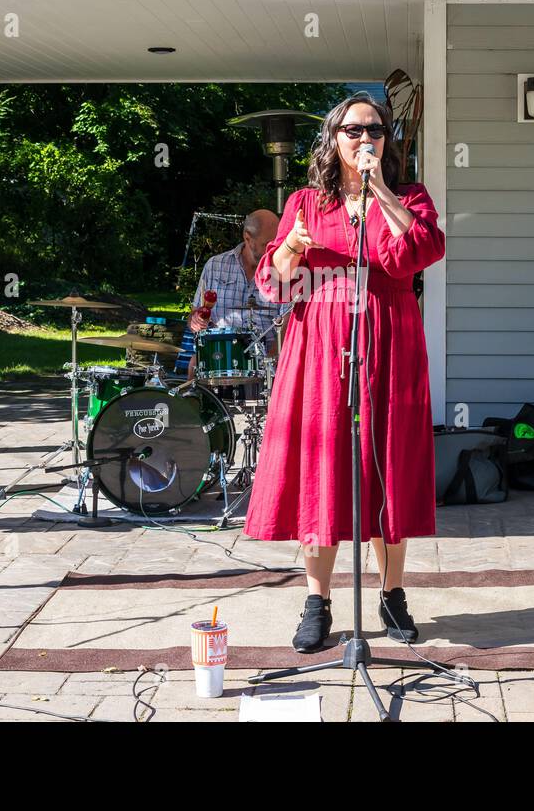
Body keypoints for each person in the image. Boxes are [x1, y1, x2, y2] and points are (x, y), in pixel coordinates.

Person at [245, 94, 445, 652]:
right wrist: (289, 246)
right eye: (354, 130)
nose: (365, 138)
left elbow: (425, 248)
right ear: (333, 139)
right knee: (323, 468)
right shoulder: (307, 201)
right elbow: (272, 285)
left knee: (389, 466)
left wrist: (379, 188)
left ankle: (392, 594)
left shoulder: (409, 196)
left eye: (376, 130)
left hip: (392, 342)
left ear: (387, 141)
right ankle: (317, 600)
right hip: (321, 345)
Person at [185, 210, 281, 379]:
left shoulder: (283, 271)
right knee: (194, 364)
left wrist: (270, 361)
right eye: (268, 244)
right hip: (221, 358)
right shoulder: (215, 266)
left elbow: (288, 325)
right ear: (248, 238)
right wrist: (196, 320)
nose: (274, 250)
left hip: (268, 363)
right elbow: (195, 313)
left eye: (278, 243)